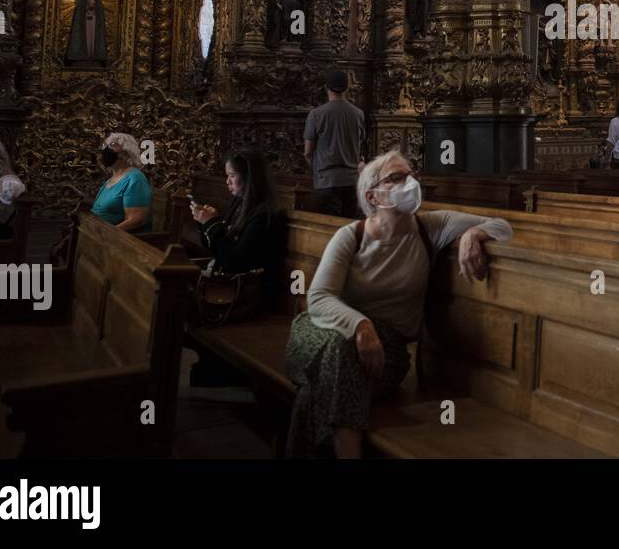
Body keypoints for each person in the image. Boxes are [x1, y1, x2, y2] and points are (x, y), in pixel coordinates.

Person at [284, 151, 513, 458]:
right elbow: (319, 299)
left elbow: (503, 226)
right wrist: (360, 326)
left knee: (316, 389)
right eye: (397, 177)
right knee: (340, 351)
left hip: (386, 354)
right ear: (373, 196)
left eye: (410, 174)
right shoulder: (350, 237)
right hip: (320, 332)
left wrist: (474, 233)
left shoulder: (430, 226)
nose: (410, 182)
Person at [189, 147, 283, 311]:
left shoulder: (264, 213)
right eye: (227, 176)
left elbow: (235, 261)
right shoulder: (240, 203)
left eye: (232, 176)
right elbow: (217, 249)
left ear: (250, 177)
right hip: (229, 284)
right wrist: (205, 222)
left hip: (244, 294)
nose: (227, 181)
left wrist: (212, 224)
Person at [303, 69, 365, 217]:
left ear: (326, 88)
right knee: (349, 228)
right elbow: (359, 144)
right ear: (347, 88)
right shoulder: (358, 114)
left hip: (326, 181)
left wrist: (318, 170)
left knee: (330, 229)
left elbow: (308, 152)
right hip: (352, 180)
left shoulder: (316, 114)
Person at [91, 132, 152, 232]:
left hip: (114, 241)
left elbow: (137, 220)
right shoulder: (111, 179)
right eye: (106, 145)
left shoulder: (135, 178)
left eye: (113, 145)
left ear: (126, 152)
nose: (106, 150)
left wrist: (106, 234)